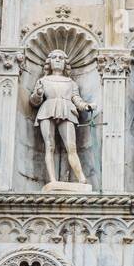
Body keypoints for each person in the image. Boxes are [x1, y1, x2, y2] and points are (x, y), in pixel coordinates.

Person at [30, 49, 96, 189]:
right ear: (50, 62)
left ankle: (82, 179)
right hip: (47, 109)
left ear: (65, 63)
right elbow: (34, 102)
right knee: (49, 146)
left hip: (67, 110)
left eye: (61, 57)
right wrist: (38, 94)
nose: (58, 59)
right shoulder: (43, 80)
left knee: (71, 147)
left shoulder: (71, 82)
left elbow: (76, 99)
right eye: (54, 57)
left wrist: (86, 106)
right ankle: (52, 179)